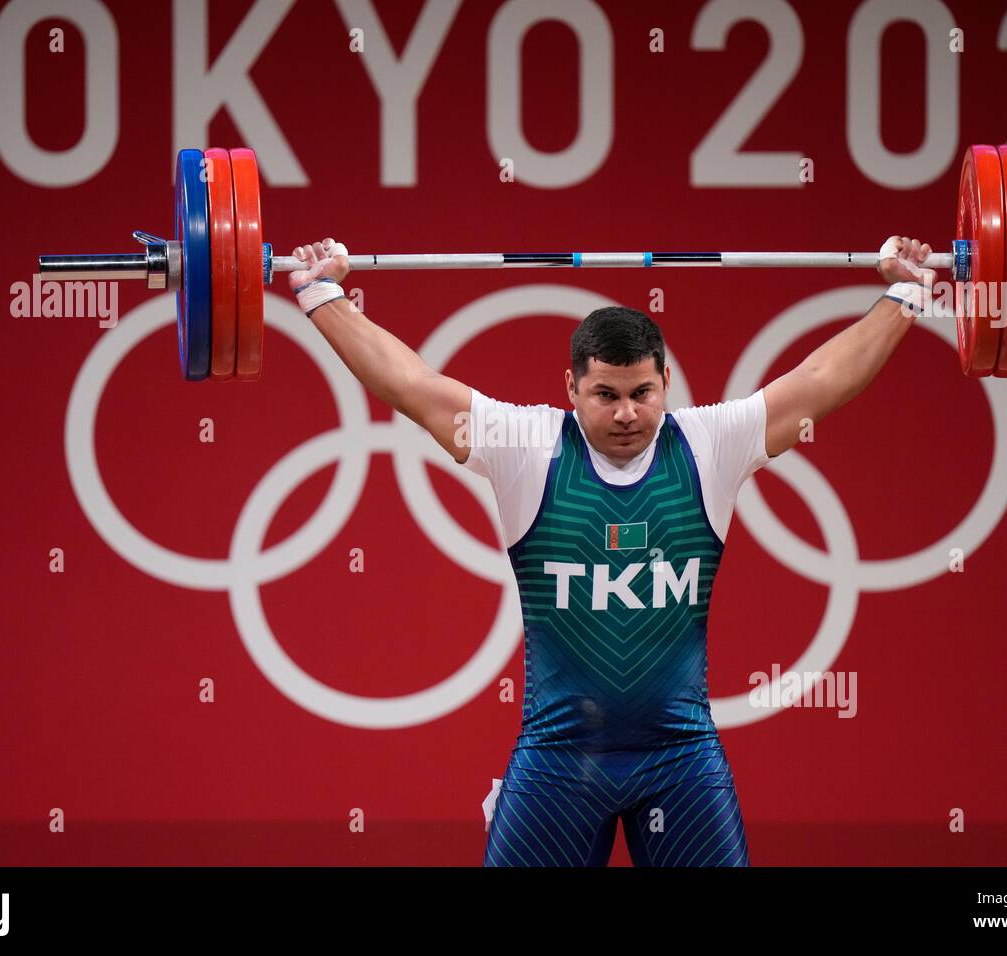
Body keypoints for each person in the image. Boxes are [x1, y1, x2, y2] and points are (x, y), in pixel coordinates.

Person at [287, 236, 935, 866]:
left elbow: (821, 381)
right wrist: (321, 294)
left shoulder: (710, 444)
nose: (626, 413)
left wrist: (905, 294)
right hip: (558, 759)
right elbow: (411, 384)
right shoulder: (525, 445)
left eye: (641, 394)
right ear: (571, 388)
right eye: (606, 395)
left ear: (665, 383)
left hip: (679, 757)